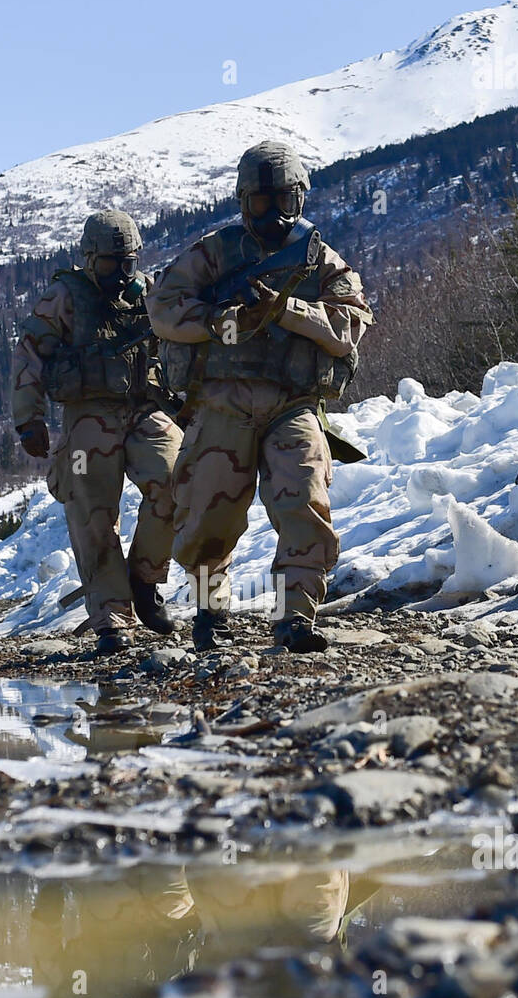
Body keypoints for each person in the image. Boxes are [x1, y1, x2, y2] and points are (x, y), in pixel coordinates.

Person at [146, 141, 372, 653]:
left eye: (284, 201)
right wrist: (221, 322)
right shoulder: (216, 253)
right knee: (207, 518)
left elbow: (351, 324)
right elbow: (162, 307)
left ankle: (296, 617)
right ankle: (210, 611)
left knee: (303, 500)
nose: (273, 213)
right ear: (243, 201)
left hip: (293, 403)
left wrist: (287, 310)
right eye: (261, 203)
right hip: (221, 403)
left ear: (301, 200)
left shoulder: (319, 260)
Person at [12, 210, 183, 656]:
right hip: (88, 415)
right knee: (92, 511)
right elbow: (29, 351)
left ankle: (144, 582)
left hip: (146, 408)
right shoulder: (65, 296)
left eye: (128, 262)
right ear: (90, 259)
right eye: (111, 263)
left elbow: (181, 343)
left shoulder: (148, 292)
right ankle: (111, 617)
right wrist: (28, 418)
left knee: (178, 478)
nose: (121, 273)